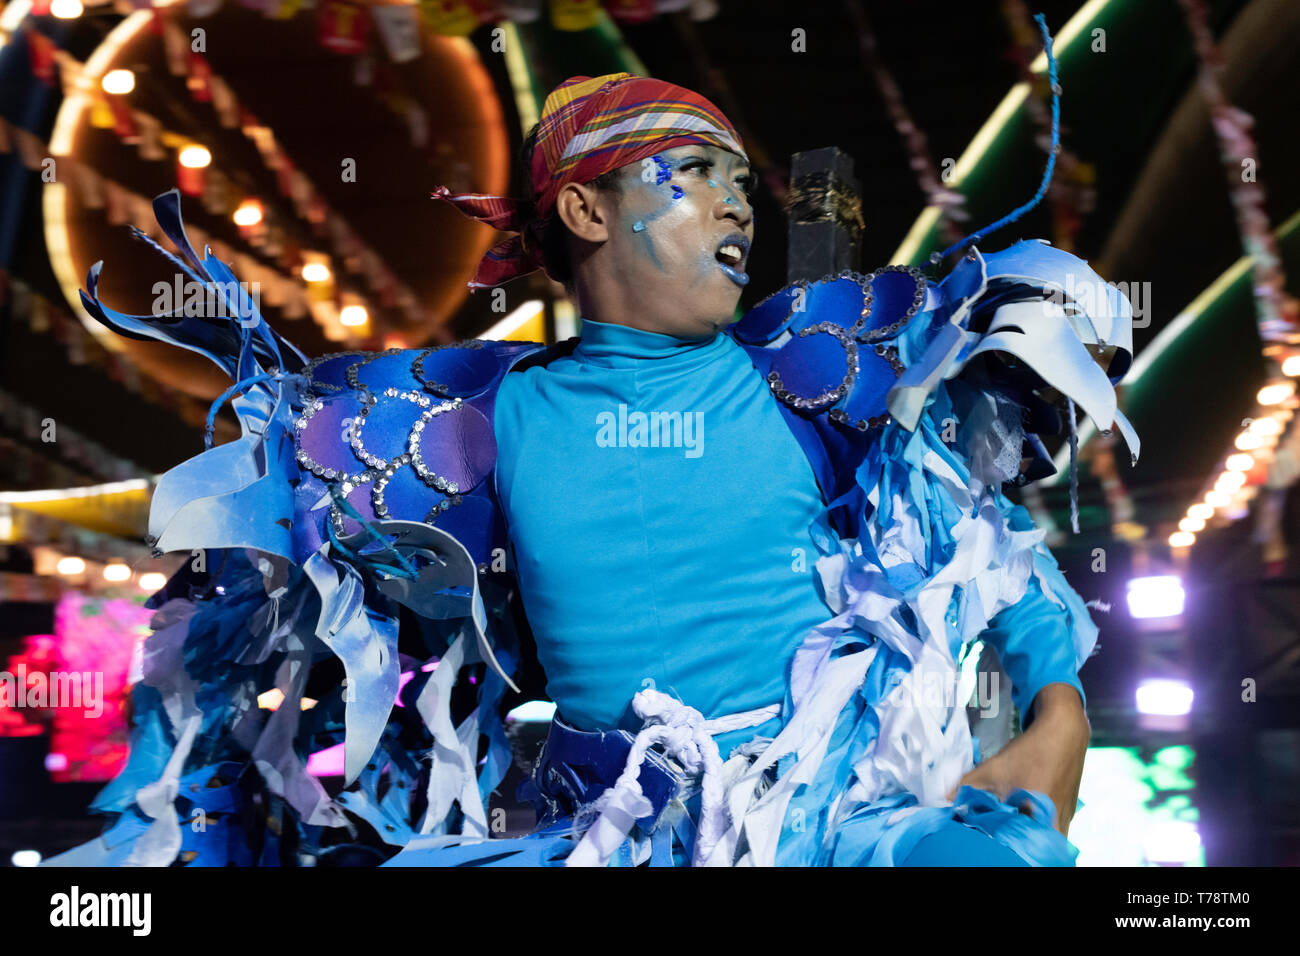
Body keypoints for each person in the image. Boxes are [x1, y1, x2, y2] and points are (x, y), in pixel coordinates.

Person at [51, 69, 1136, 868]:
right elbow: (229, 603)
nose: (736, 204)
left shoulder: (813, 370)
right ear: (583, 208)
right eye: (696, 175)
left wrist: (1058, 720)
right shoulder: (470, 419)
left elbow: (993, 548)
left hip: (835, 834)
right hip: (597, 843)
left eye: (738, 182)